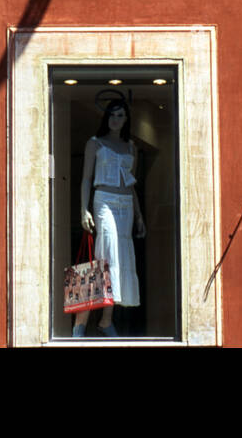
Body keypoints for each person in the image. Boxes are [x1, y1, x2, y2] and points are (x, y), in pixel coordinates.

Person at [74, 97, 145, 337]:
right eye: (113, 115)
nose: (116, 119)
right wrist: (84, 209)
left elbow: (132, 184)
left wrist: (139, 215)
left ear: (127, 119)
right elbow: (85, 179)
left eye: (121, 115)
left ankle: (106, 320)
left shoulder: (131, 146)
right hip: (103, 201)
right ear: (107, 118)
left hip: (125, 205)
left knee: (120, 259)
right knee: (104, 257)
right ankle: (80, 325)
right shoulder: (95, 143)